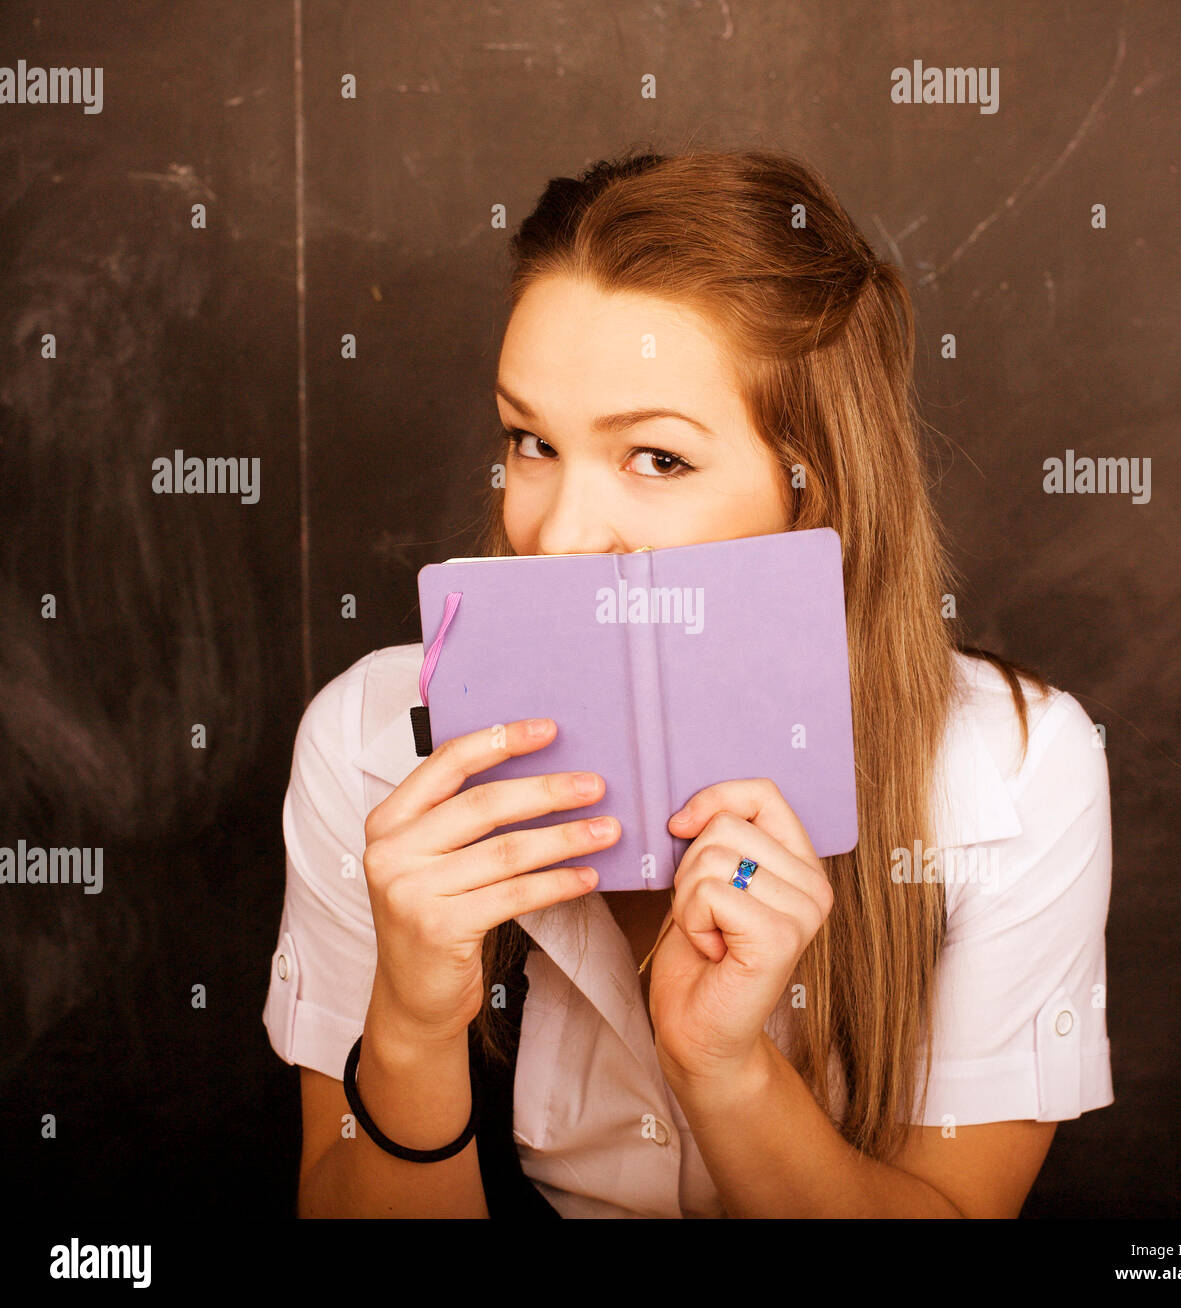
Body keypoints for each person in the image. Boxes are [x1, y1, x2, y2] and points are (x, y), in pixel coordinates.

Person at [262, 147, 1114, 1218]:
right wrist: (411, 1027)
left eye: (655, 458)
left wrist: (726, 1067)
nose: (559, 535)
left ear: (813, 492)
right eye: (530, 442)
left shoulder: (1015, 774)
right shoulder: (373, 746)